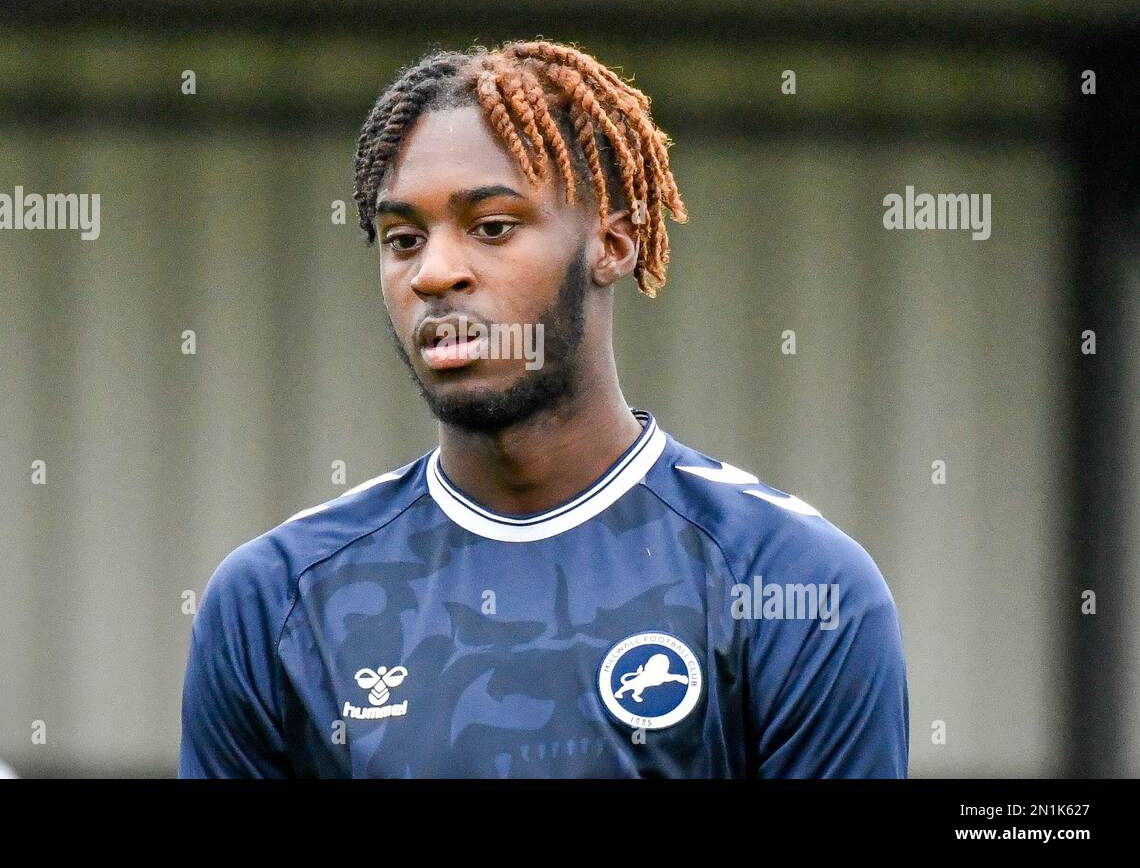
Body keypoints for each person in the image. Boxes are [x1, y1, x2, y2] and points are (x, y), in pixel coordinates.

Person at [179, 39, 908, 777]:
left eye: (492, 227)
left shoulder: (792, 585)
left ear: (613, 243)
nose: (435, 274)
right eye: (402, 239)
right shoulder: (276, 599)